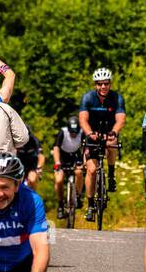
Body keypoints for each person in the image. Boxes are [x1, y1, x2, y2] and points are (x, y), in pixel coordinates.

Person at [78, 67, 126, 205]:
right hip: (92, 134)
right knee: (92, 170)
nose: (103, 86)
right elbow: (83, 119)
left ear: (110, 83)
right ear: (95, 85)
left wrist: (114, 132)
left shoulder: (117, 98)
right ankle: (91, 203)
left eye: (106, 83)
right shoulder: (88, 98)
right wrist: (89, 133)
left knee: (112, 143)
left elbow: (120, 119)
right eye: (100, 83)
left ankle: (111, 175)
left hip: (109, 132)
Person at [52, 114, 85, 220]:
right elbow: (56, 148)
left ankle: (78, 196)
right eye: (72, 133)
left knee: (79, 173)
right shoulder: (63, 132)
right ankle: (61, 204)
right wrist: (57, 162)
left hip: (75, 156)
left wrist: (84, 162)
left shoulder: (82, 132)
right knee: (59, 179)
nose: (74, 135)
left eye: (76, 133)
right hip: (63, 157)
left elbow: (85, 149)